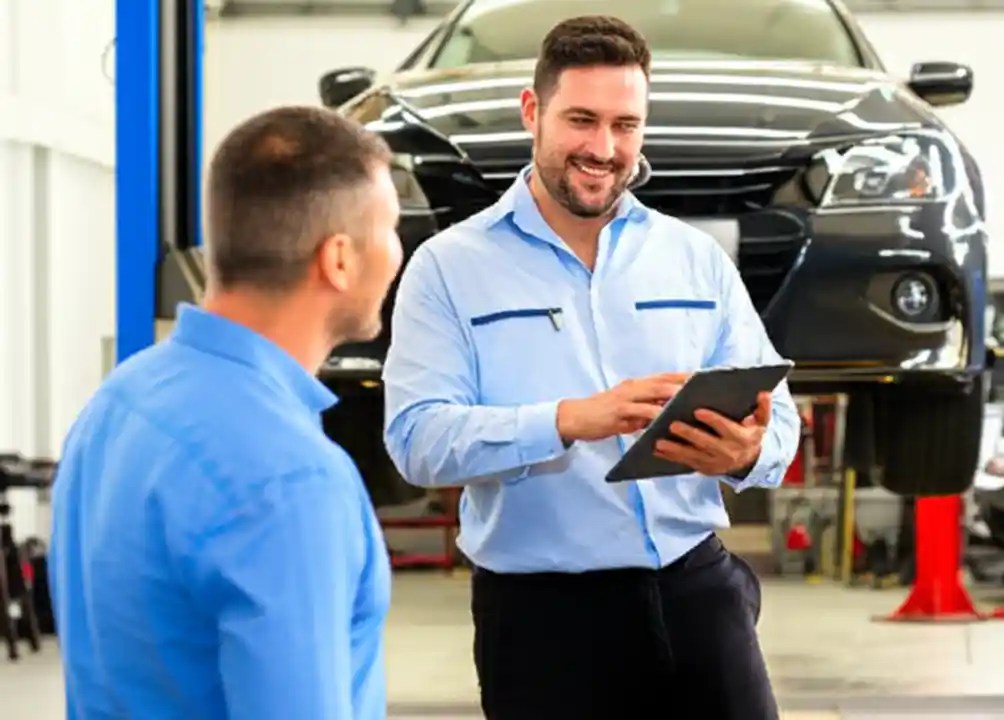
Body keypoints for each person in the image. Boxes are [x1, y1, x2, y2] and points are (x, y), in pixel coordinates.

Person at [381, 14, 801, 720]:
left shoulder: (692, 258)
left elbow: (777, 416)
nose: (604, 149)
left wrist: (751, 450)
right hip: (545, 621)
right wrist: (570, 420)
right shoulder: (450, 268)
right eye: (581, 120)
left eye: (625, 125)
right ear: (531, 111)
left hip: (696, 592)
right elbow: (416, 439)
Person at [48, 106, 403, 719]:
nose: (399, 252)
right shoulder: (292, 478)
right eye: (393, 228)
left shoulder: (118, 401)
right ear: (338, 258)